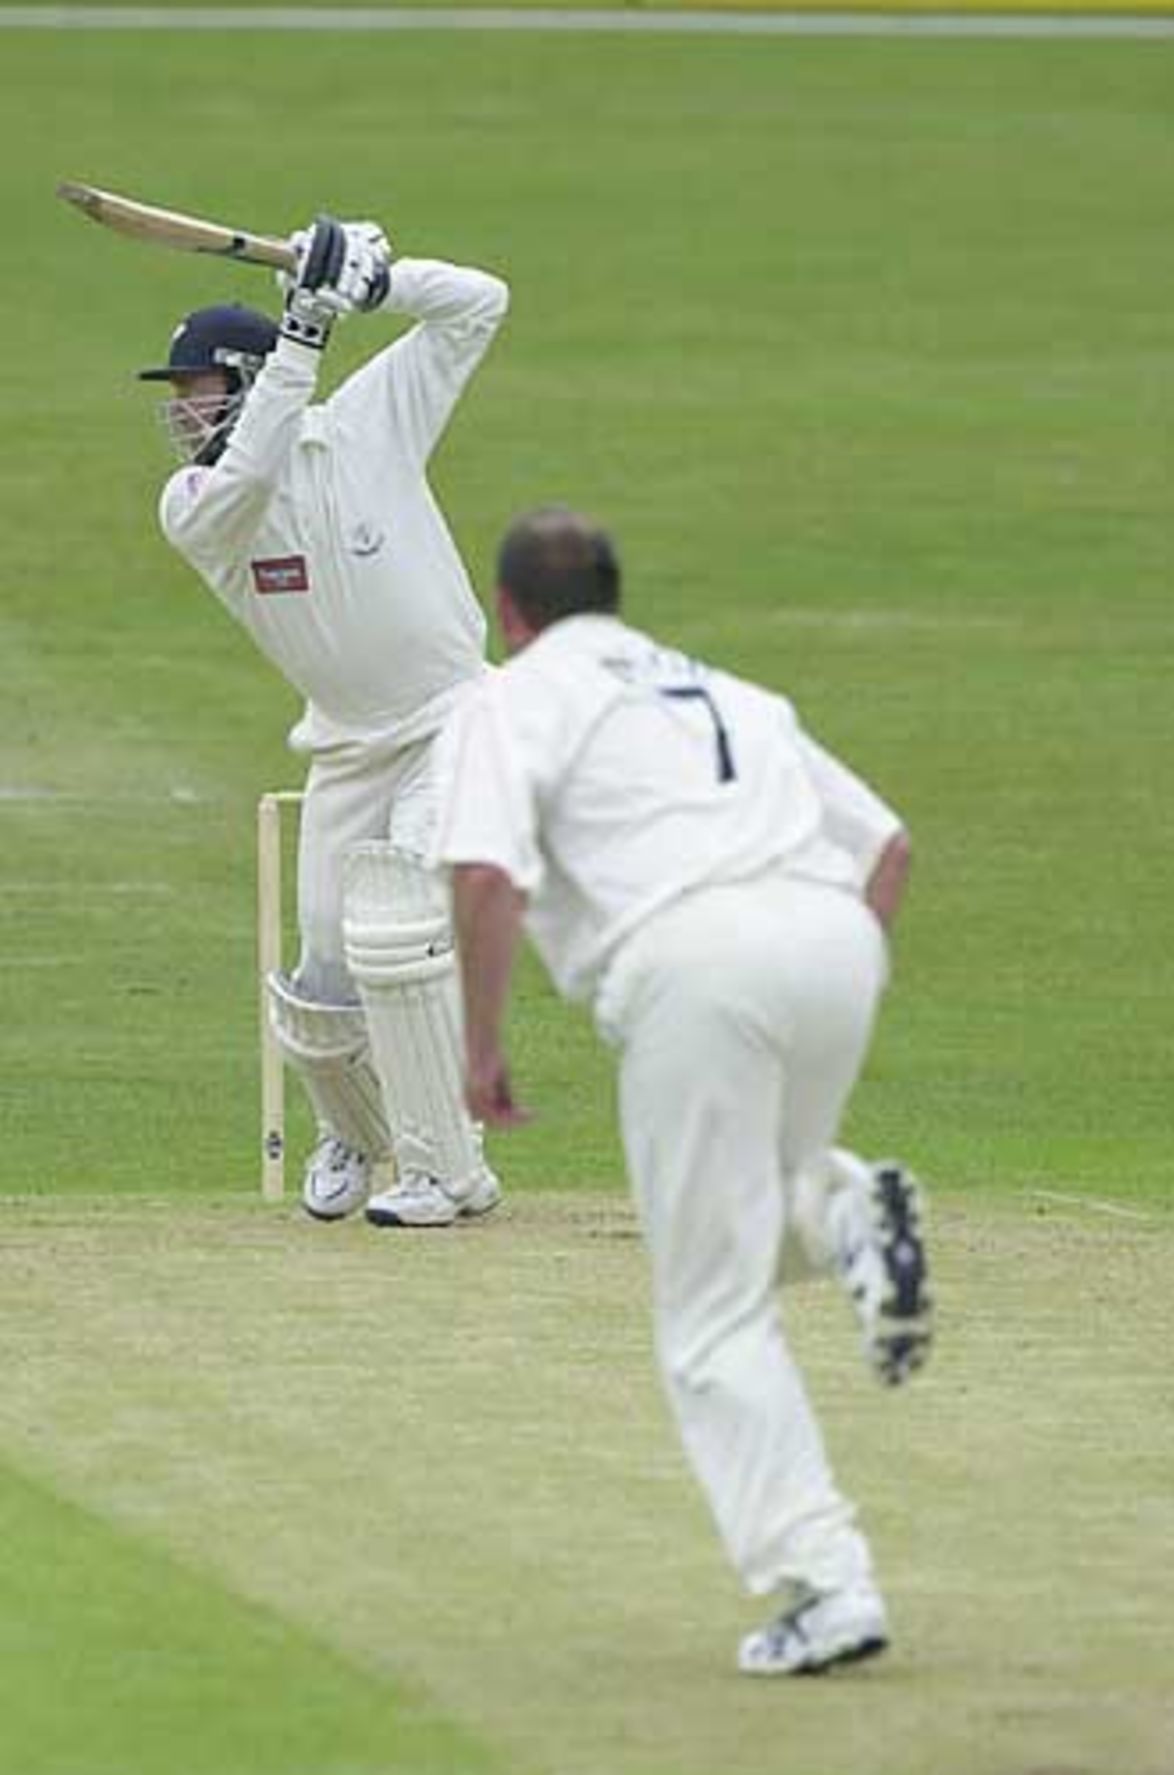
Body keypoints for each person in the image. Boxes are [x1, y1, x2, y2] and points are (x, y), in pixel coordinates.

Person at [429, 507, 933, 1675]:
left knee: (707, 1314)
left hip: (696, 965)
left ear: (509, 614)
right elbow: (890, 848)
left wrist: (479, 1043)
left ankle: (826, 1581)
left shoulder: (513, 696)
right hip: (834, 939)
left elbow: (490, 871)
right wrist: (819, 969)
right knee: (757, 1215)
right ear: (610, 594)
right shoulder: (730, 690)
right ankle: (845, 1211)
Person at [138, 214, 509, 1229]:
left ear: (248, 384)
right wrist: (302, 329)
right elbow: (252, 477)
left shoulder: (365, 423)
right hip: (346, 743)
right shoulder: (197, 503)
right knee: (320, 976)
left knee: (399, 925)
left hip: (451, 718)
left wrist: (378, 281)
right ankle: (353, 1132)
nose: (182, 414)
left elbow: (480, 302)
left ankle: (447, 1171)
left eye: (197, 390)